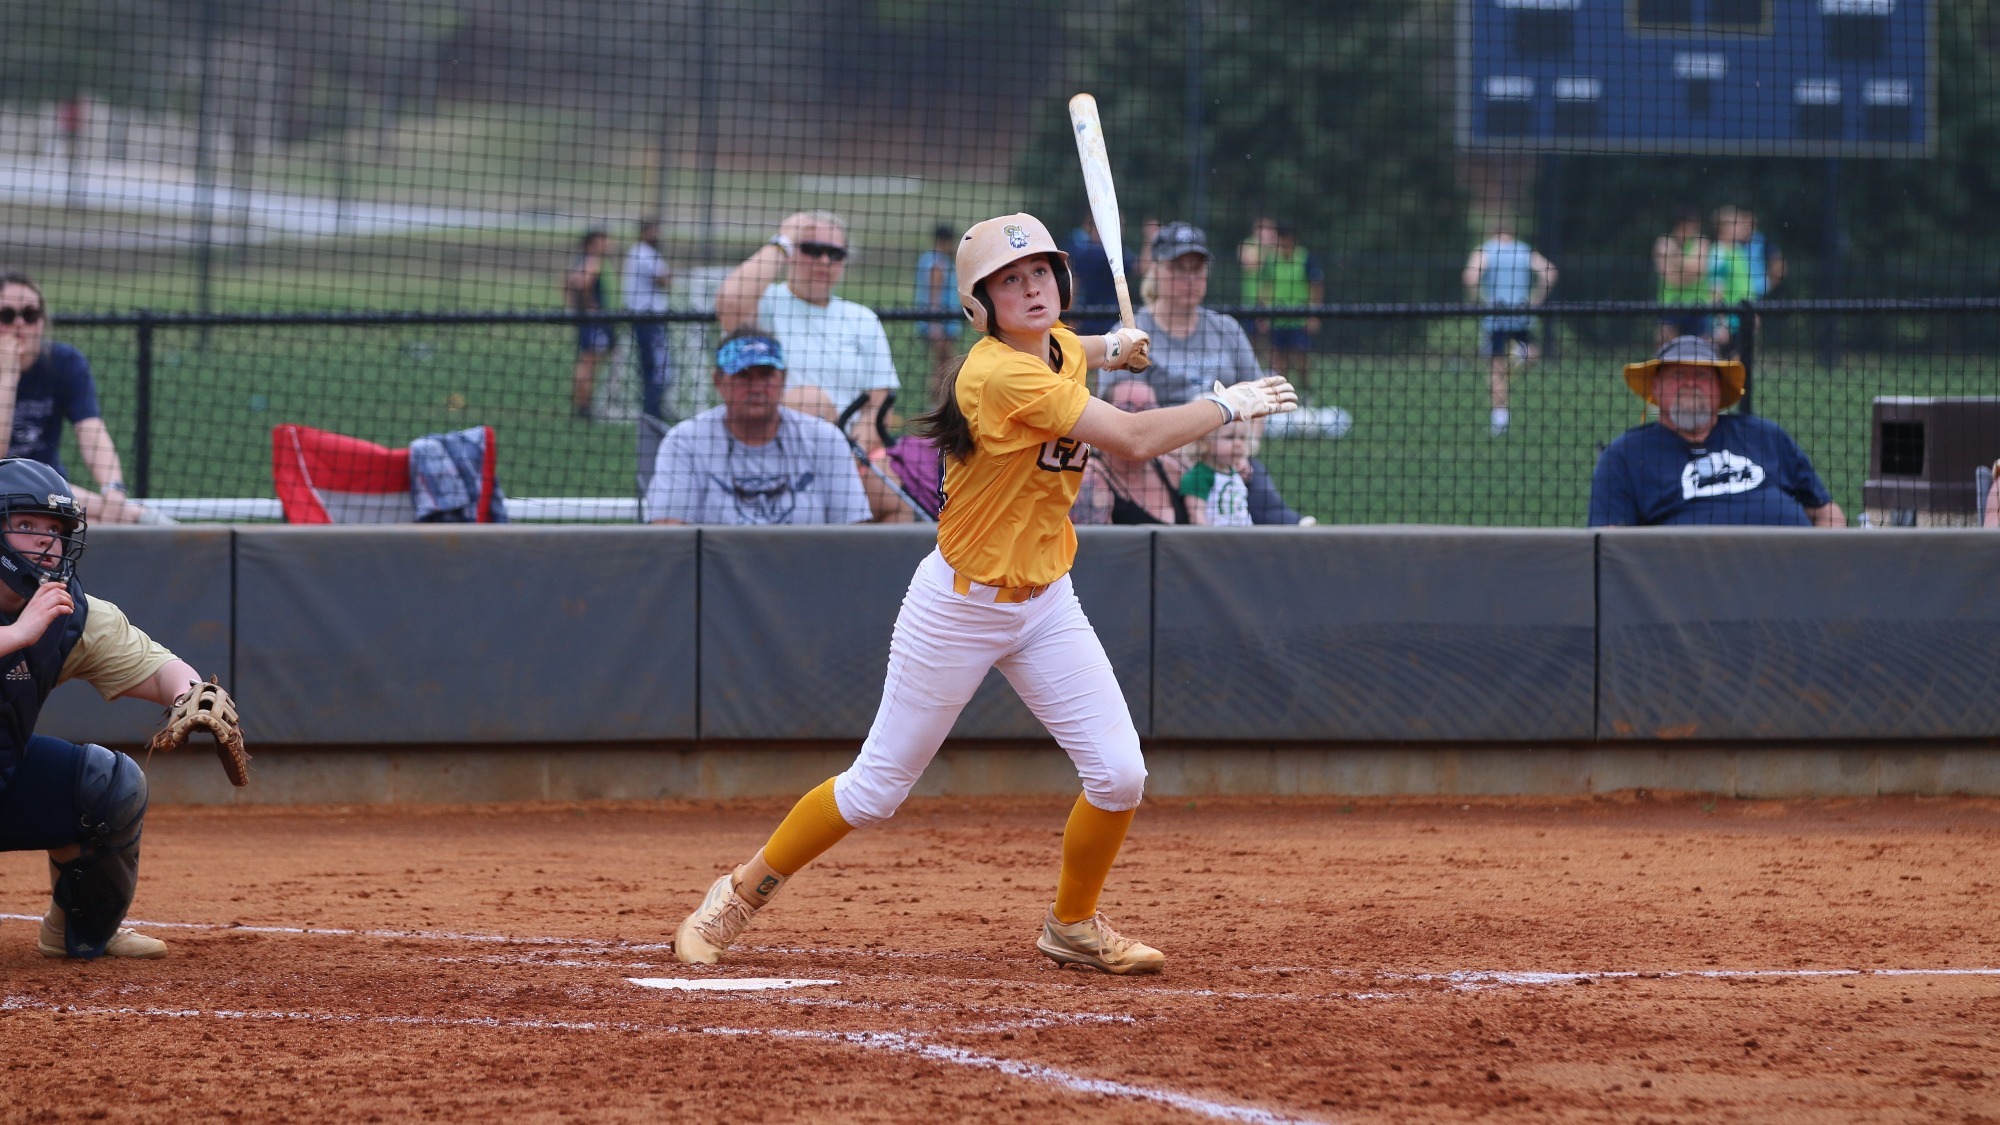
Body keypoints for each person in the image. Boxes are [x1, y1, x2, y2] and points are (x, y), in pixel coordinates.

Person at [670, 213, 1296, 975]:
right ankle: (738, 892)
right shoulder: (998, 373)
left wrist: (1110, 347)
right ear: (982, 305)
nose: (1030, 289)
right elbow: (1131, 439)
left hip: (1046, 601)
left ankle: (1072, 924)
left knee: (1119, 772)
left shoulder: (1054, 346)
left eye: (1038, 274)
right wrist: (1229, 404)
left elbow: (1074, 348)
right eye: (1009, 281)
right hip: (959, 607)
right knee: (874, 790)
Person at [0, 457, 220, 959]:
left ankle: (81, 933)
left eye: (54, 529)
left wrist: (193, 696)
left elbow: (156, 665)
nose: (45, 541)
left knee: (109, 786)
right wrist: (14, 635)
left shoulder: (66, 611)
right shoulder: (31, 621)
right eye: (26, 525)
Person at [714, 210, 904, 520]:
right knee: (811, 402)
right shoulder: (766, 304)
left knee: (895, 498)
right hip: (771, 447)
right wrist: (783, 241)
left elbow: (879, 407)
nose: (824, 262)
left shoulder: (862, 320)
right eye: (812, 250)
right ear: (790, 255)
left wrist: (846, 456)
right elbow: (729, 303)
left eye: (835, 253)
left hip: (849, 452)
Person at [1589, 336, 1846, 528]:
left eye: (1701, 375)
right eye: (1678, 374)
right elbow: (1609, 541)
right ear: (1656, 387)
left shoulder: (1765, 435)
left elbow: (1825, 512)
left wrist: (1826, 568)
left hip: (1788, 579)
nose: (1690, 383)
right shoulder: (1626, 455)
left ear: (1719, 388)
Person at [644, 329, 871, 526]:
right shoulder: (684, 442)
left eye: (766, 374)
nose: (757, 387)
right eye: (743, 375)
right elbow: (669, 537)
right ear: (718, 381)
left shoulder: (826, 440)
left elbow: (854, 533)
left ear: (783, 379)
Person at [0, 273, 153, 524]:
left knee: (111, 519)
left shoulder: (64, 362)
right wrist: (7, 376)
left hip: (49, 488)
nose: (19, 324)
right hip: (6, 490)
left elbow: (91, 429)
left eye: (30, 315)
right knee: (127, 517)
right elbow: (1, 459)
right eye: (6, 316)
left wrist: (113, 489)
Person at [1132, 222, 1263, 408]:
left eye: (1197, 268)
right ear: (1155, 270)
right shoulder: (1132, 334)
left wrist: (1242, 436)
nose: (1190, 279)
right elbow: (1127, 415)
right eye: (1178, 268)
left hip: (1227, 434)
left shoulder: (1228, 328)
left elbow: (1257, 396)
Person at [1462, 217, 1557, 437]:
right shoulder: (1523, 250)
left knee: (1496, 371)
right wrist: (1535, 299)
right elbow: (1550, 272)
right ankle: (1519, 356)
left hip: (1495, 318)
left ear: (1492, 231)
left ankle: (1500, 419)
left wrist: (1480, 300)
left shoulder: (1486, 250)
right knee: (1530, 354)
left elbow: (1469, 277)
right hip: (1521, 315)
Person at [1071, 379, 1189, 526]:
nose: (1140, 418)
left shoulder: (1171, 466)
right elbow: (1095, 545)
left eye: (1149, 409)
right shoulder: (1090, 474)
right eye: (1126, 409)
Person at [622, 218, 675, 422]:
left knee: (655, 365)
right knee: (657, 365)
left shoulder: (644, 252)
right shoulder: (643, 253)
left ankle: (654, 407)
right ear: (645, 231)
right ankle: (652, 409)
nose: (658, 235)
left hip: (648, 316)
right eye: (654, 230)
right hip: (647, 317)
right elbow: (663, 279)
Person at [1262, 226, 1325, 397]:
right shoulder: (1272, 260)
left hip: (1299, 319)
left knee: (1301, 361)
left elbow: (1316, 286)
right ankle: (1282, 397)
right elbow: (1265, 285)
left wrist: (1314, 315)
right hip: (1277, 319)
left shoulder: (1306, 258)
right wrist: (1264, 313)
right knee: (1278, 362)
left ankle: (1306, 394)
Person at [565, 229, 613, 419]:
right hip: (593, 321)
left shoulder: (580, 260)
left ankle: (582, 404)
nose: (608, 244)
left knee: (587, 361)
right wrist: (590, 306)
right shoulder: (593, 261)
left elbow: (566, 282)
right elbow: (582, 283)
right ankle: (584, 407)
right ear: (592, 243)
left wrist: (573, 308)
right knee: (589, 363)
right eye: (604, 240)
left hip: (584, 319)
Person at [1179, 421, 1254, 526]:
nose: (1238, 443)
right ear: (1203, 441)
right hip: (1217, 539)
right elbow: (1196, 515)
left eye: (1242, 438)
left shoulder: (1234, 472)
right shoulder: (1198, 476)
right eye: (1229, 437)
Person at [1653, 209, 1711, 346]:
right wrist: (1688, 266)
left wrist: (1673, 255)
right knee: (1664, 346)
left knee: (1701, 350)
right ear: (1681, 224)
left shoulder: (1701, 242)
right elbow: (1671, 278)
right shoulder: (1663, 242)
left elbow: (1697, 271)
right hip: (1669, 303)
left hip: (1698, 303)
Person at [1707, 206, 1757, 359]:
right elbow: (1715, 291)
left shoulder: (1739, 251)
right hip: (1728, 323)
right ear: (1724, 227)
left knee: (1742, 369)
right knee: (1727, 368)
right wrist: (1721, 325)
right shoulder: (1718, 252)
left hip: (1743, 318)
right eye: (1737, 224)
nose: (1743, 228)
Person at [913, 223, 961, 374]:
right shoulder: (938, 263)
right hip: (941, 325)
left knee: (942, 367)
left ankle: (938, 397)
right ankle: (939, 398)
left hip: (941, 322)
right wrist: (935, 326)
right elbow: (934, 295)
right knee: (947, 368)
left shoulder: (929, 258)